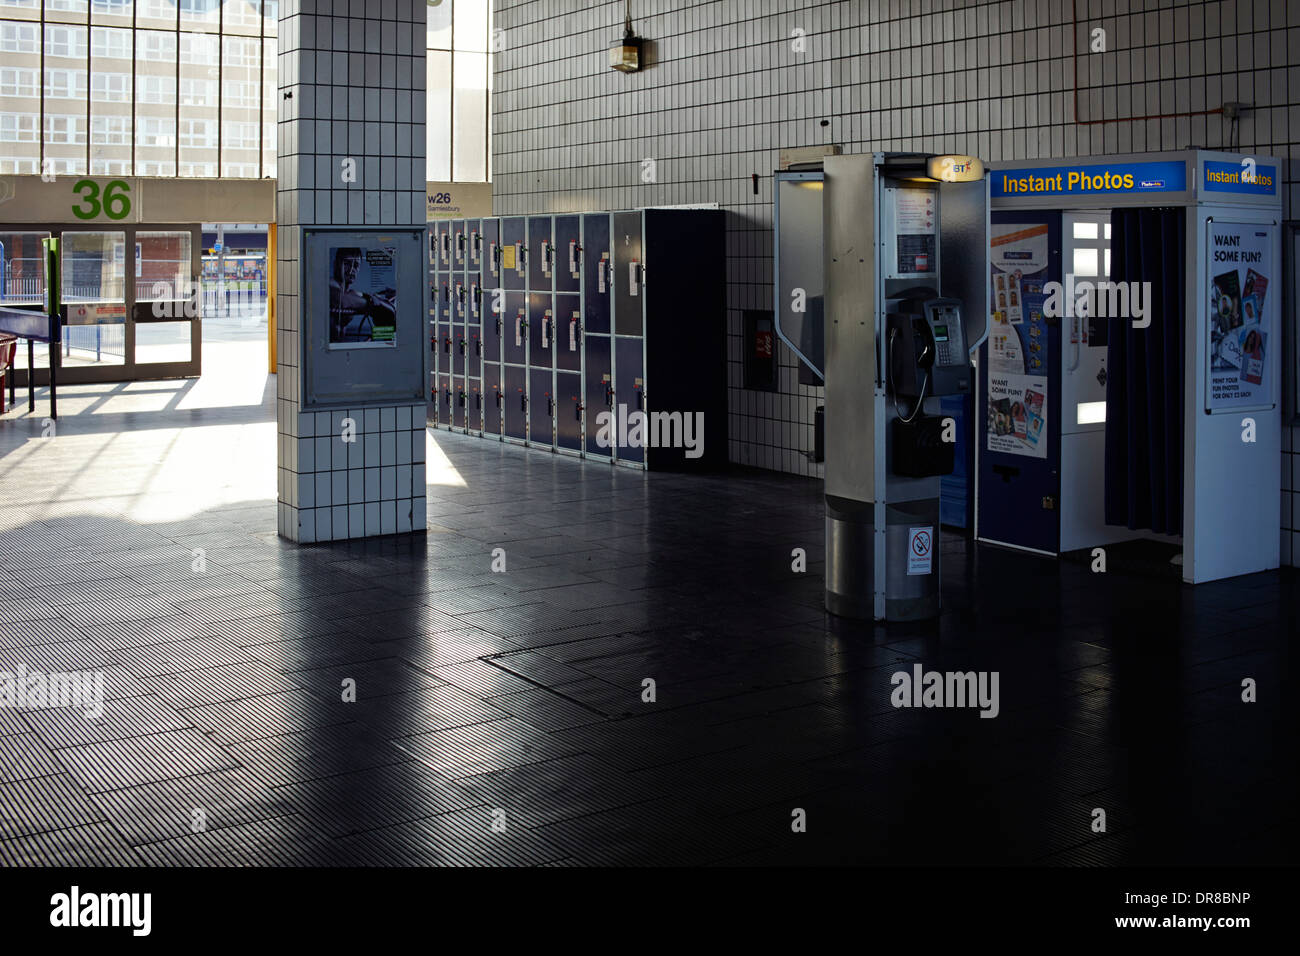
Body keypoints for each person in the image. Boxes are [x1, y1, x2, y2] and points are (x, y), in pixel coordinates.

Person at [329, 248, 395, 342]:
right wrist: (373, 302)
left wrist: (377, 299)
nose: (351, 270)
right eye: (347, 263)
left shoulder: (350, 293)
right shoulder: (330, 284)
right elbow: (340, 300)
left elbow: (351, 297)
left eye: (356, 265)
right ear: (336, 264)